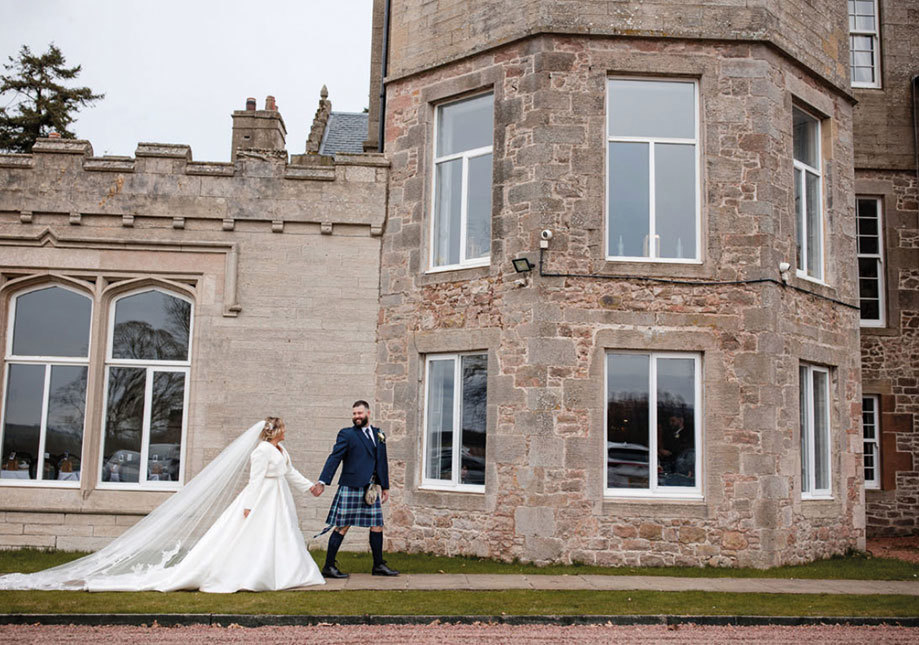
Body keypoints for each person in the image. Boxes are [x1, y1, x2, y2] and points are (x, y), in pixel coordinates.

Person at [0, 417, 324, 592]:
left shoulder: (282, 452)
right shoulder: (261, 452)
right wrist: (249, 506)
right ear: (273, 433)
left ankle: (286, 572)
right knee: (254, 537)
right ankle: (254, 573)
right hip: (263, 499)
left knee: (283, 536)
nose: (285, 431)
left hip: (279, 499)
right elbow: (254, 482)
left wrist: (310, 487)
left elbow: (290, 472)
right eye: (282, 428)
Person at [311, 400, 398, 578]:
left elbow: (382, 461)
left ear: (368, 413)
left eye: (359, 413)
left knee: (377, 525)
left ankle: (378, 565)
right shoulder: (347, 434)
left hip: (371, 489)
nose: (356, 417)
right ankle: (328, 566)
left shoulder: (379, 434)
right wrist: (322, 481)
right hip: (352, 486)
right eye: (354, 414)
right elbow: (334, 457)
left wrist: (385, 486)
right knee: (342, 526)